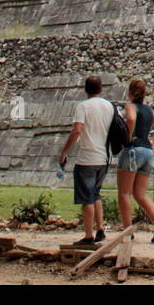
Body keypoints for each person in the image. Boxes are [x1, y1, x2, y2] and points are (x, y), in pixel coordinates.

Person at [58, 76, 115, 246]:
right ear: (101, 89)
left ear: (85, 89)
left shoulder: (83, 106)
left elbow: (77, 130)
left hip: (87, 158)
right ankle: (100, 229)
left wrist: (64, 151)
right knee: (96, 194)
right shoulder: (110, 106)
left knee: (87, 199)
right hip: (105, 157)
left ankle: (89, 235)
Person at [116, 78, 154, 244]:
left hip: (133, 150)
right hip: (147, 152)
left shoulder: (130, 106)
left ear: (130, 93)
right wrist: (152, 140)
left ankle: (127, 231)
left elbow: (130, 119)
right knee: (140, 194)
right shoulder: (148, 110)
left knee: (124, 193)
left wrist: (127, 137)